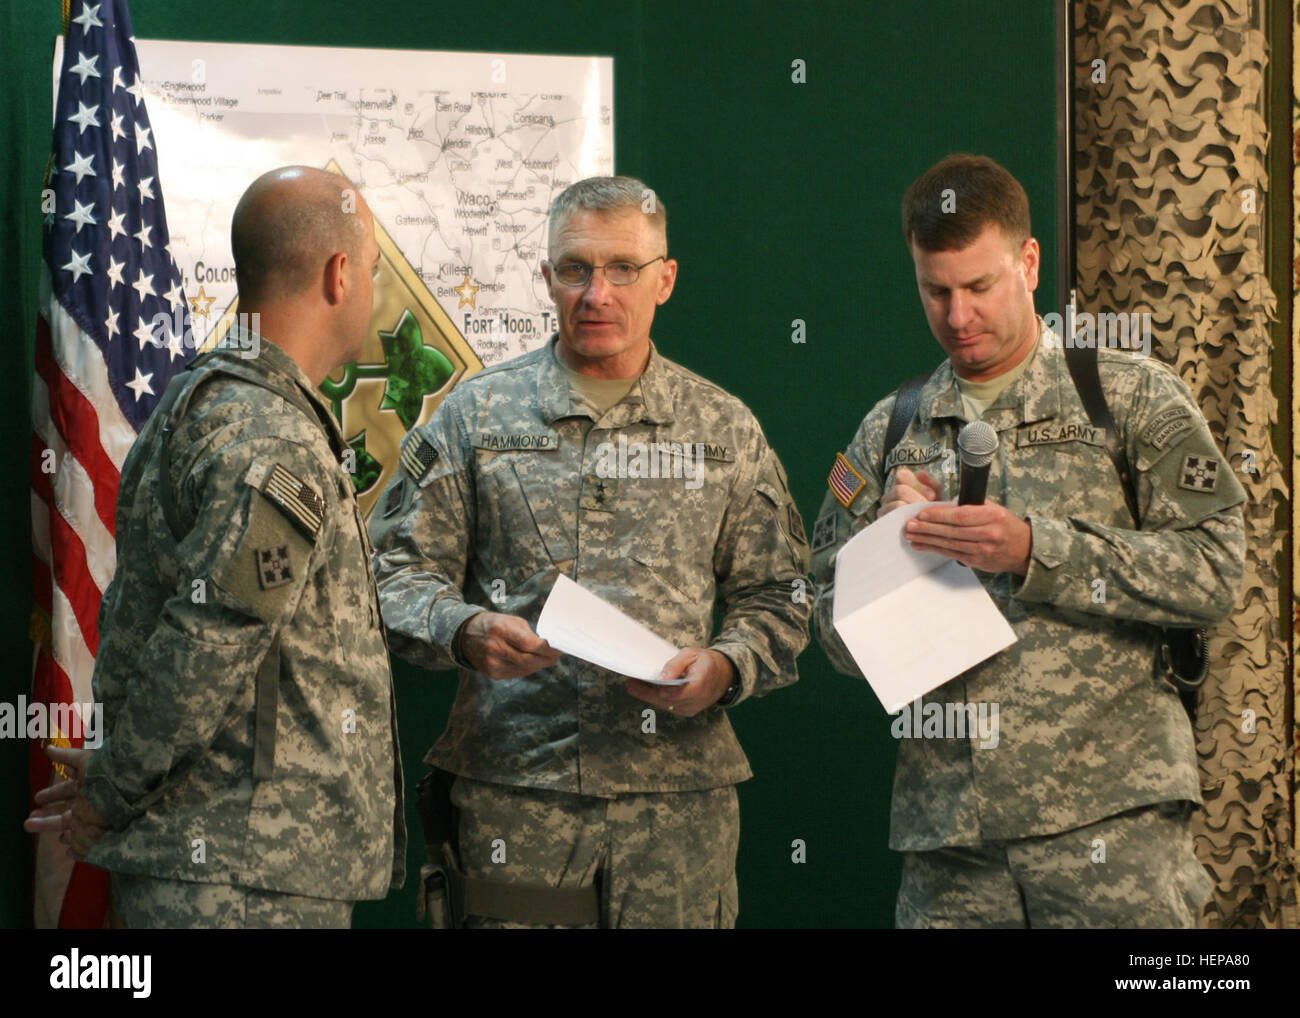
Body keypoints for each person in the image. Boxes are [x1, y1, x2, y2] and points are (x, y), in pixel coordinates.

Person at [810, 153, 1246, 929]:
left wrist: (1035, 550)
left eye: (979, 286)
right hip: (951, 841)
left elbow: (1215, 571)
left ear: (1029, 262)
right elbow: (832, 639)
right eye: (935, 291)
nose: (958, 315)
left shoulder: (1131, 395)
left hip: (1112, 823)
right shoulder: (889, 431)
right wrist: (885, 561)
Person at [369, 175, 809, 928]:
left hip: (676, 812)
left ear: (664, 279)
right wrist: (465, 631)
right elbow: (389, 574)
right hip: (517, 795)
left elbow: (784, 597)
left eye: (622, 269)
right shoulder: (477, 417)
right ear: (546, 278)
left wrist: (726, 666)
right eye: (574, 269)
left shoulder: (724, 429)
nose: (596, 293)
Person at [25, 166, 406, 929]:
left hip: (223, 864)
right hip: (247, 877)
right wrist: (110, 792)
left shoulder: (201, 399)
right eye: (370, 271)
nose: (369, 288)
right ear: (339, 276)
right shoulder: (273, 435)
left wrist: (116, 783)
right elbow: (205, 644)